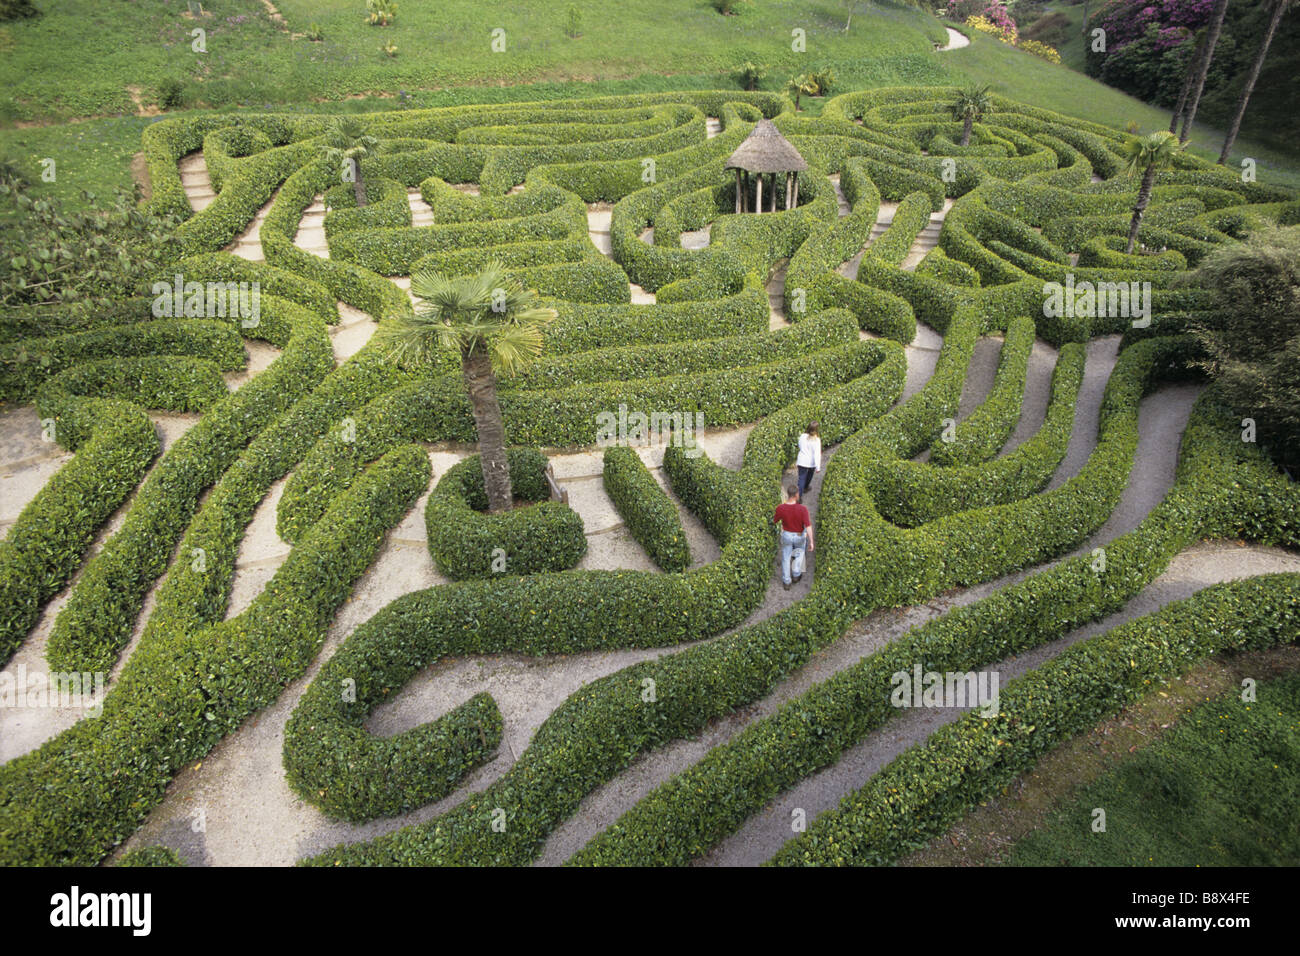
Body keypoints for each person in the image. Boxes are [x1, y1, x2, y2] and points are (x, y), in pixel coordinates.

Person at [773, 484, 814, 590]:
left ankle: (787, 582)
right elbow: (808, 526)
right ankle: (796, 575)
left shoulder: (780, 508)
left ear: (788, 494)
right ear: (796, 495)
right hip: (799, 535)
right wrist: (811, 541)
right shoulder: (802, 509)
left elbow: (775, 520)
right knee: (799, 554)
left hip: (786, 535)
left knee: (786, 557)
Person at [796, 422, 821, 500]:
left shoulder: (802, 436)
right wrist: (818, 467)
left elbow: (799, 445)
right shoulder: (816, 440)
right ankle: (806, 487)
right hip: (811, 462)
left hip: (802, 460)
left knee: (801, 479)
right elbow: (817, 454)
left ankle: (798, 497)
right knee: (809, 475)